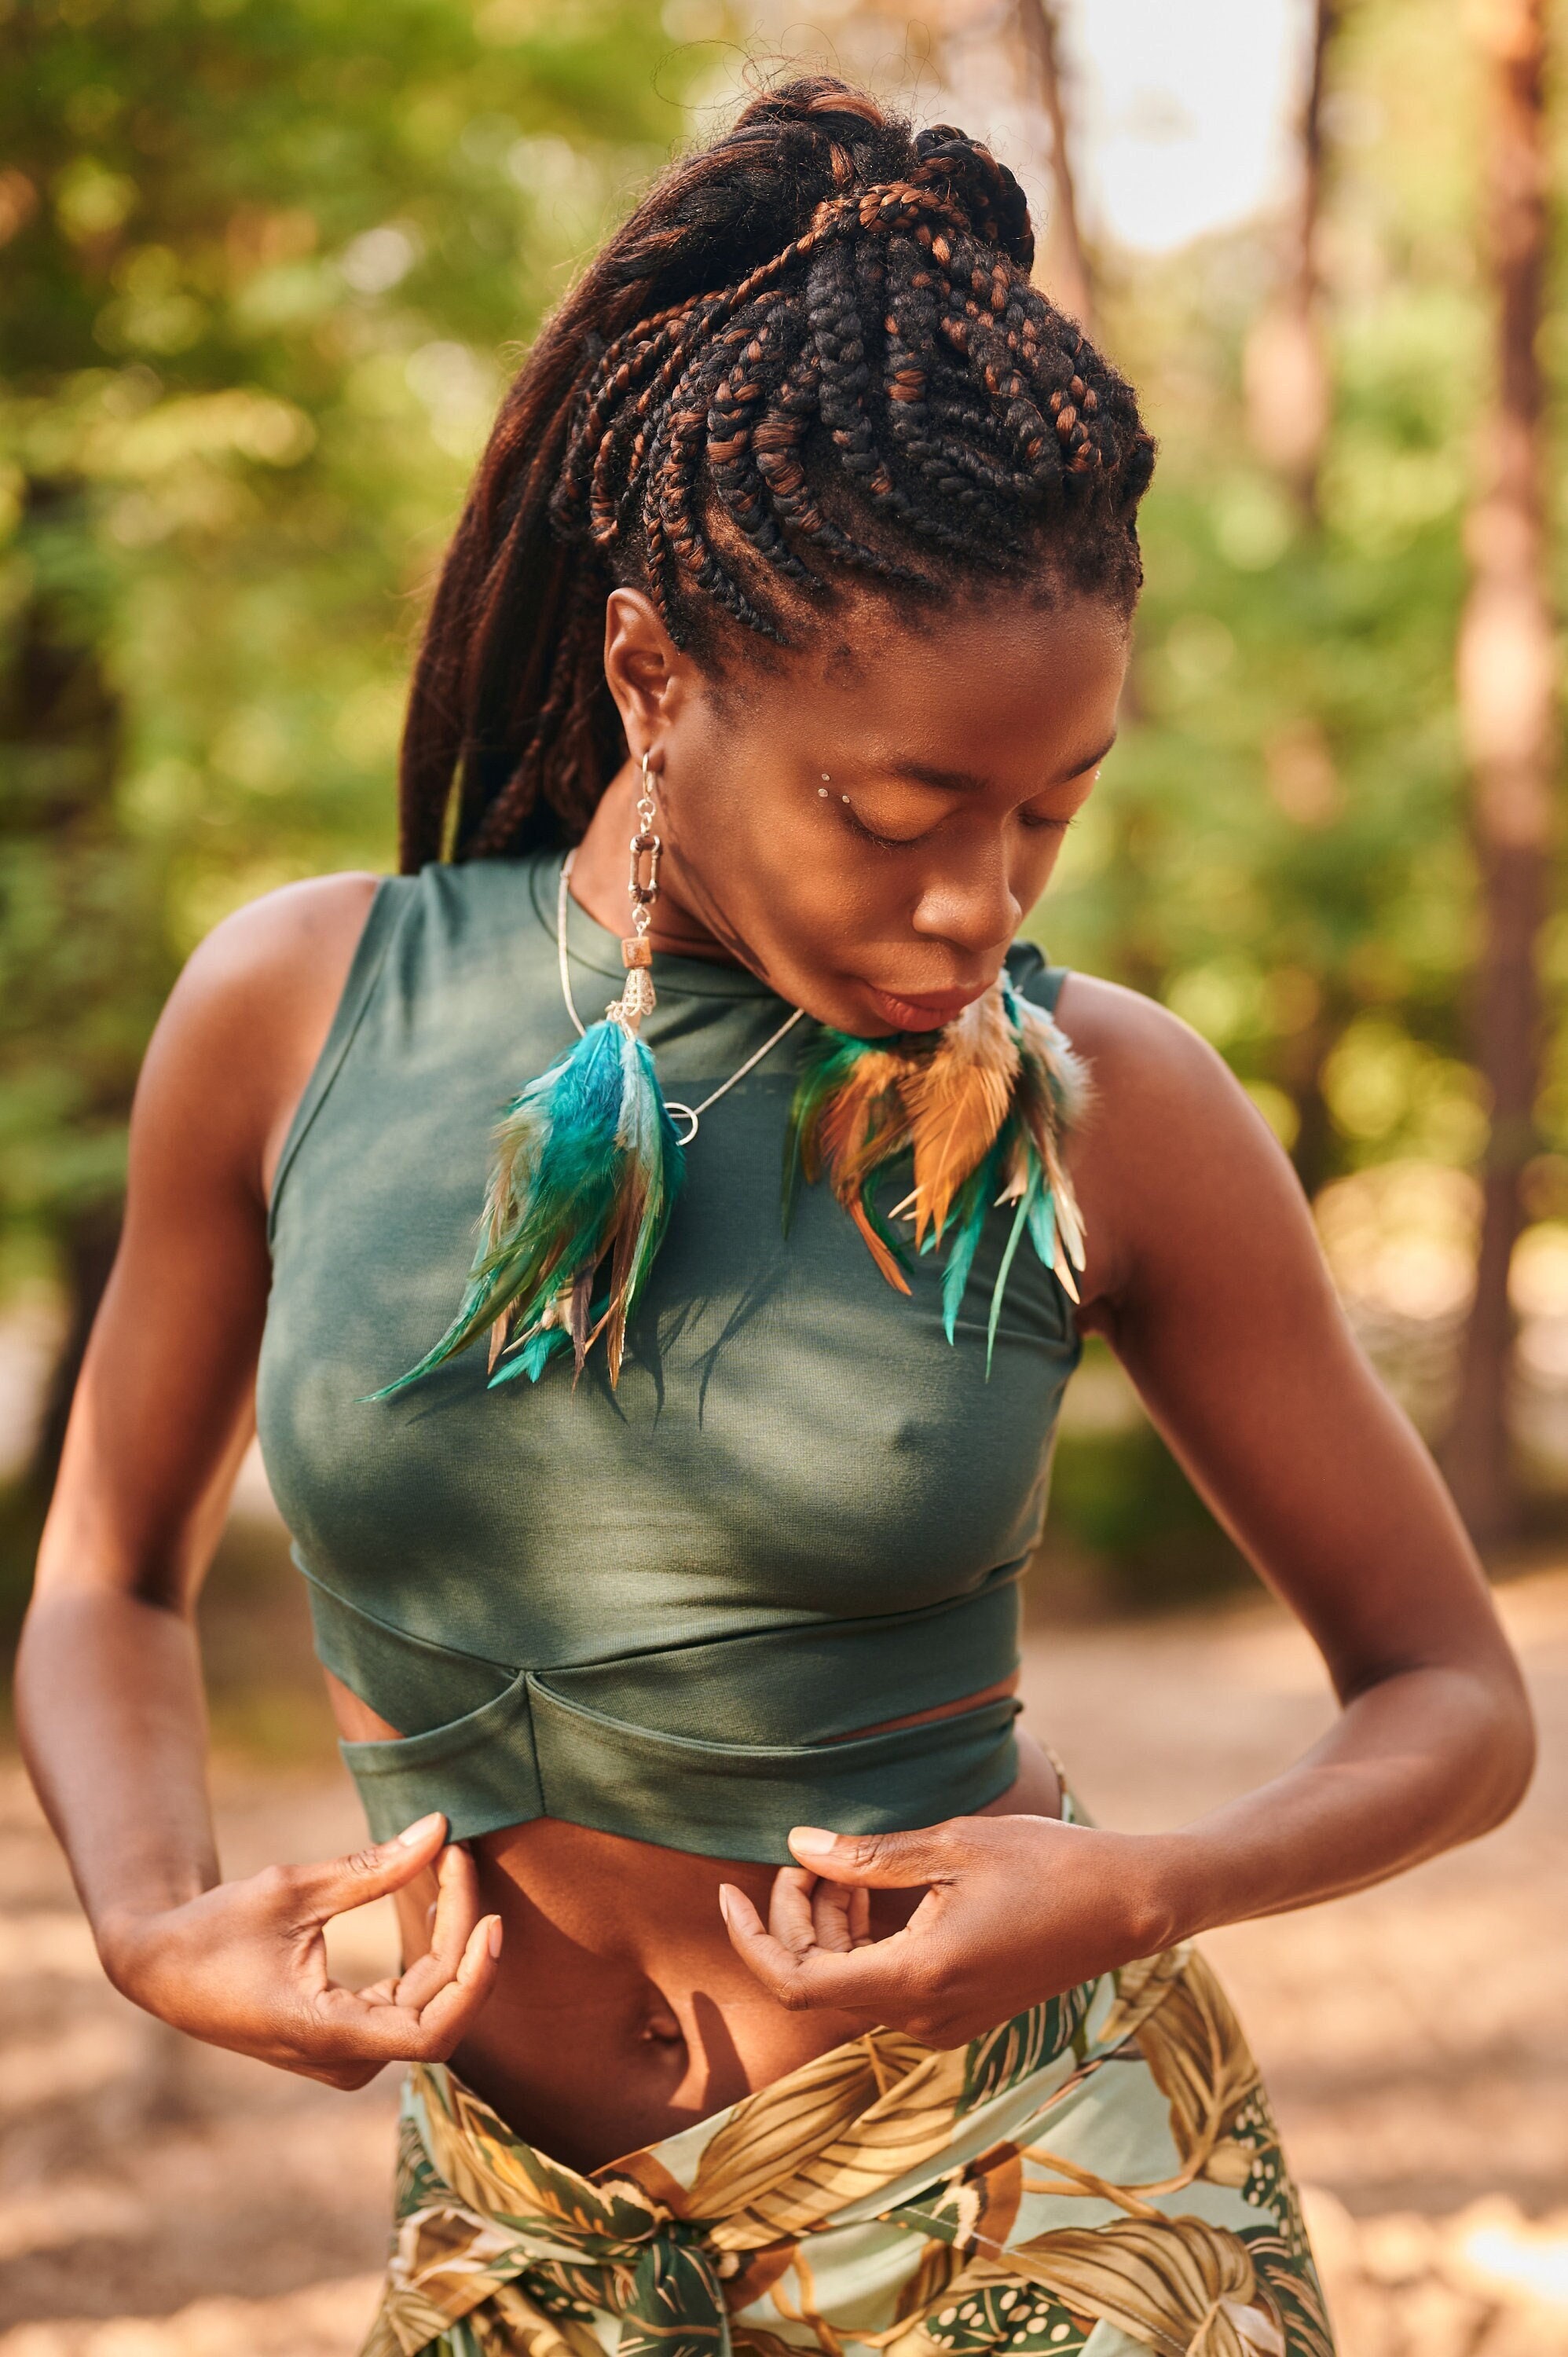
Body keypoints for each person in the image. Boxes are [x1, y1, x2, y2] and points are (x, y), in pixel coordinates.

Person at [16, 78, 1533, 2357]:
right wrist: (145, 1919)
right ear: (652, 671)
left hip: (1029, 2200)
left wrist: (1140, 1887)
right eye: (897, 805)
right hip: (518, 2245)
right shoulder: (298, 1009)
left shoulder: (1107, 1103)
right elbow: (110, 1578)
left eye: (1047, 815)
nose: (972, 905)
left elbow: (1452, 1696)